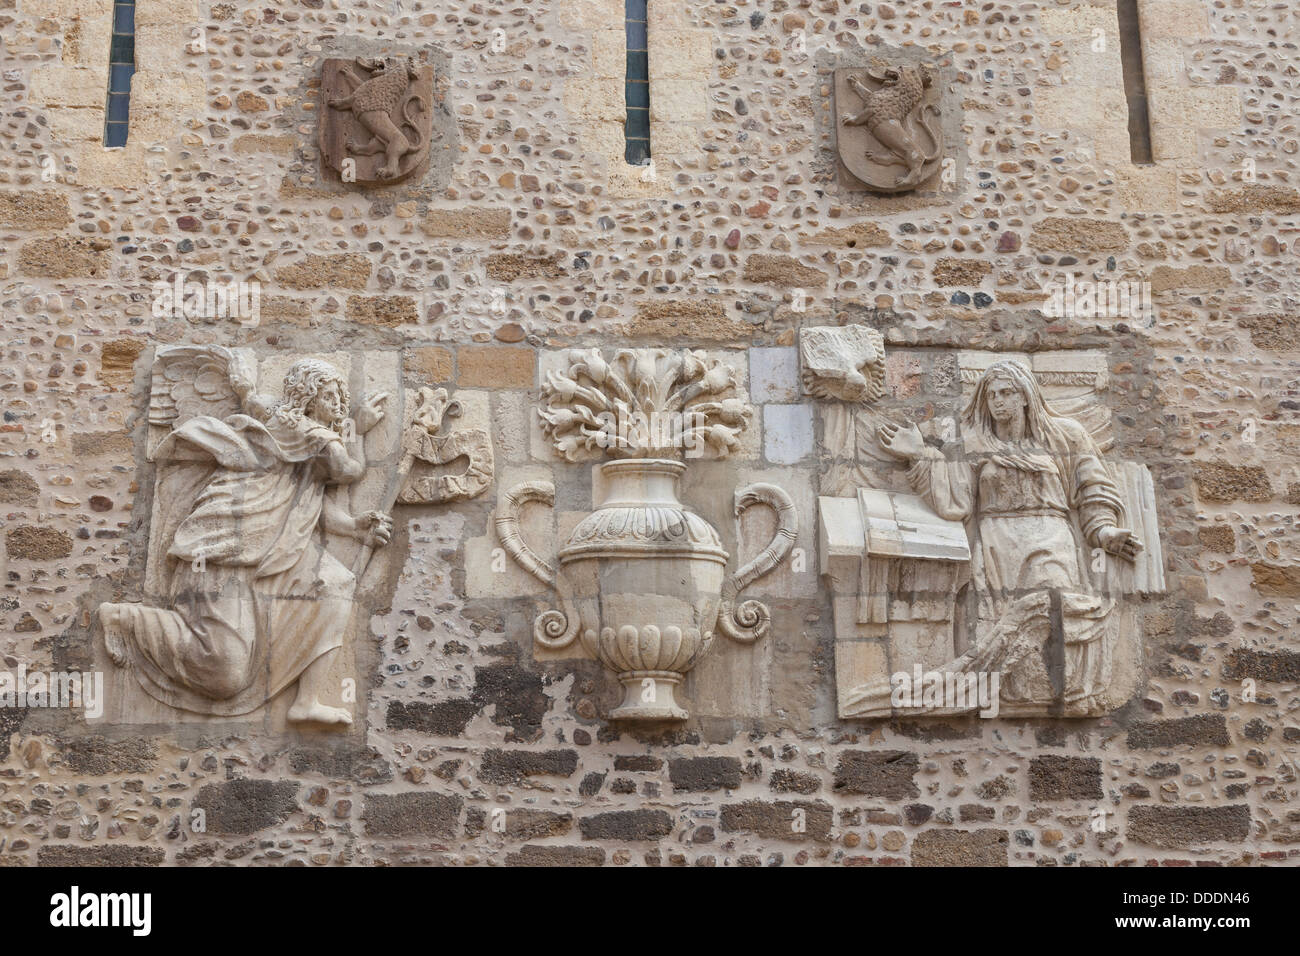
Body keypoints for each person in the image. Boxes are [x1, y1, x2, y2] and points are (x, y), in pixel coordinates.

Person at [99, 358, 391, 725]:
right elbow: (349, 471)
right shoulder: (311, 435)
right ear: (307, 397)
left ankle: (307, 701)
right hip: (225, 549)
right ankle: (126, 617)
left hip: (272, 549)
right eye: (328, 395)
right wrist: (357, 429)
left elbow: (301, 498)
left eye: (340, 396)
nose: (337, 404)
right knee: (225, 674)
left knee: (334, 584)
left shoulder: (290, 431)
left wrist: (353, 527)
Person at [867, 359, 1141, 713]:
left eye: (1007, 392)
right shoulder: (975, 444)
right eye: (992, 394)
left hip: (1049, 535)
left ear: (1026, 395)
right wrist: (920, 455)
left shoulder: (1066, 435)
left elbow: (1092, 488)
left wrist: (1104, 531)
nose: (998, 401)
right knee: (1002, 620)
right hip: (996, 541)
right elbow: (958, 501)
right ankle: (1014, 697)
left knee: (1050, 607)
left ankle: (1063, 689)